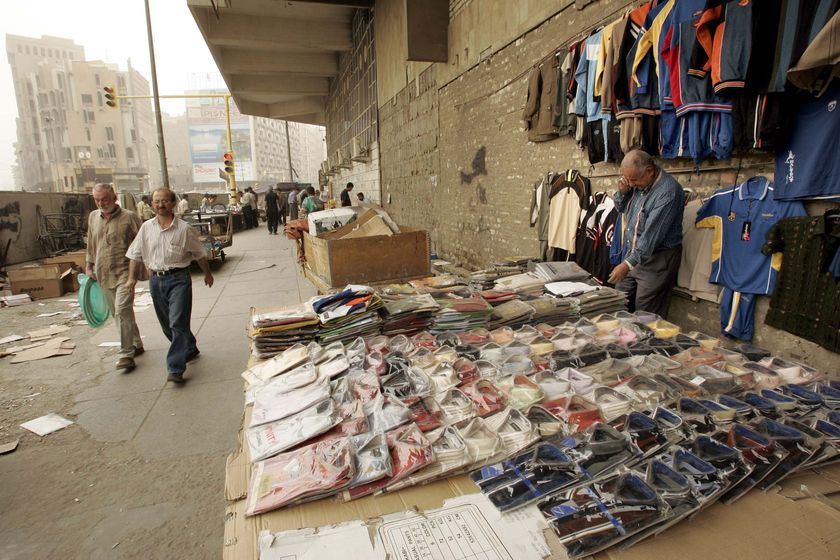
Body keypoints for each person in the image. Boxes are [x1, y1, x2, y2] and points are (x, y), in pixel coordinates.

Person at [126, 187, 214, 384]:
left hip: (179, 279)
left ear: (173, 204)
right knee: (167, 324)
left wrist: (207, 274)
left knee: (177, 322)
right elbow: (135, 254)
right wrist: (131, 279)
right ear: (152, 204)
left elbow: (199, 254)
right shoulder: (146, 228)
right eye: (157, 201)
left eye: (165, 201)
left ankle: (175, 367)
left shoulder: (184, 229)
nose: (160, 205)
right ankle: (189, 347)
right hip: (156, 280)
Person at [608, 150, 685, 317]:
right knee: (619, 301)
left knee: (646, 312)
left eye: (634, 180)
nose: (631, 184)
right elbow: (621, 209)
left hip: (657, 259)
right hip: (634, 253)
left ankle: (646, 341)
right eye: (628, 179)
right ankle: (623, 340)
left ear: (650, 171)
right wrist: (622, 192)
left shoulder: (668, 192)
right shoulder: (636, 185)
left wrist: (627, 264)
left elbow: (651, 237)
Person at [86, 183, 144, 372]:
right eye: (97, 200)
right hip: (103, 272)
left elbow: (141, 244)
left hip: (125, 273)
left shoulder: (130, 217)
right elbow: (91, 243)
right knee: (117, 313)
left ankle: (126, 354)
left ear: (114, 198)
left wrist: (139, 272)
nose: (101, 203)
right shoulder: (93, 217)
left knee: (122, 310)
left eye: (105, 199)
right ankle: (136, 342)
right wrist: (89, 265)